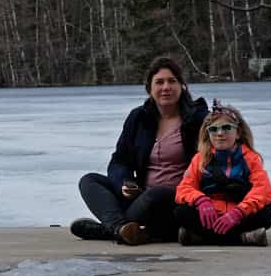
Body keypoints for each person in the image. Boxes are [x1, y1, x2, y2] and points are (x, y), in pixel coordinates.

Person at [70, 56, 208, 245]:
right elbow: (120, 160)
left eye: (172, 81)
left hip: (177, 199)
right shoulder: (139, 118)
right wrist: (125, 183)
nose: (166, 87)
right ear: (149, 88)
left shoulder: (199, 119)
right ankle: (122, 229)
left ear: (182, 86)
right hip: (141, 196)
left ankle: (111, 228)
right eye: (159, 82)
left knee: (156, 194)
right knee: (89, 181)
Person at [173, 101, 271, 246]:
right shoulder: (200, 159)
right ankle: (242, 238)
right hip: (211, 212)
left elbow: (263, 190)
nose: (220, 134)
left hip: (239, 211)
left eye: (226, 128)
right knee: (181, 212)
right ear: (208, 134)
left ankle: (201, 238)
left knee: (266, 215)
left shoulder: (250, 158)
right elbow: (184, 189)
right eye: (213, 129)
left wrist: (239, 212)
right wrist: (201, 201)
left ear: (238, 133)